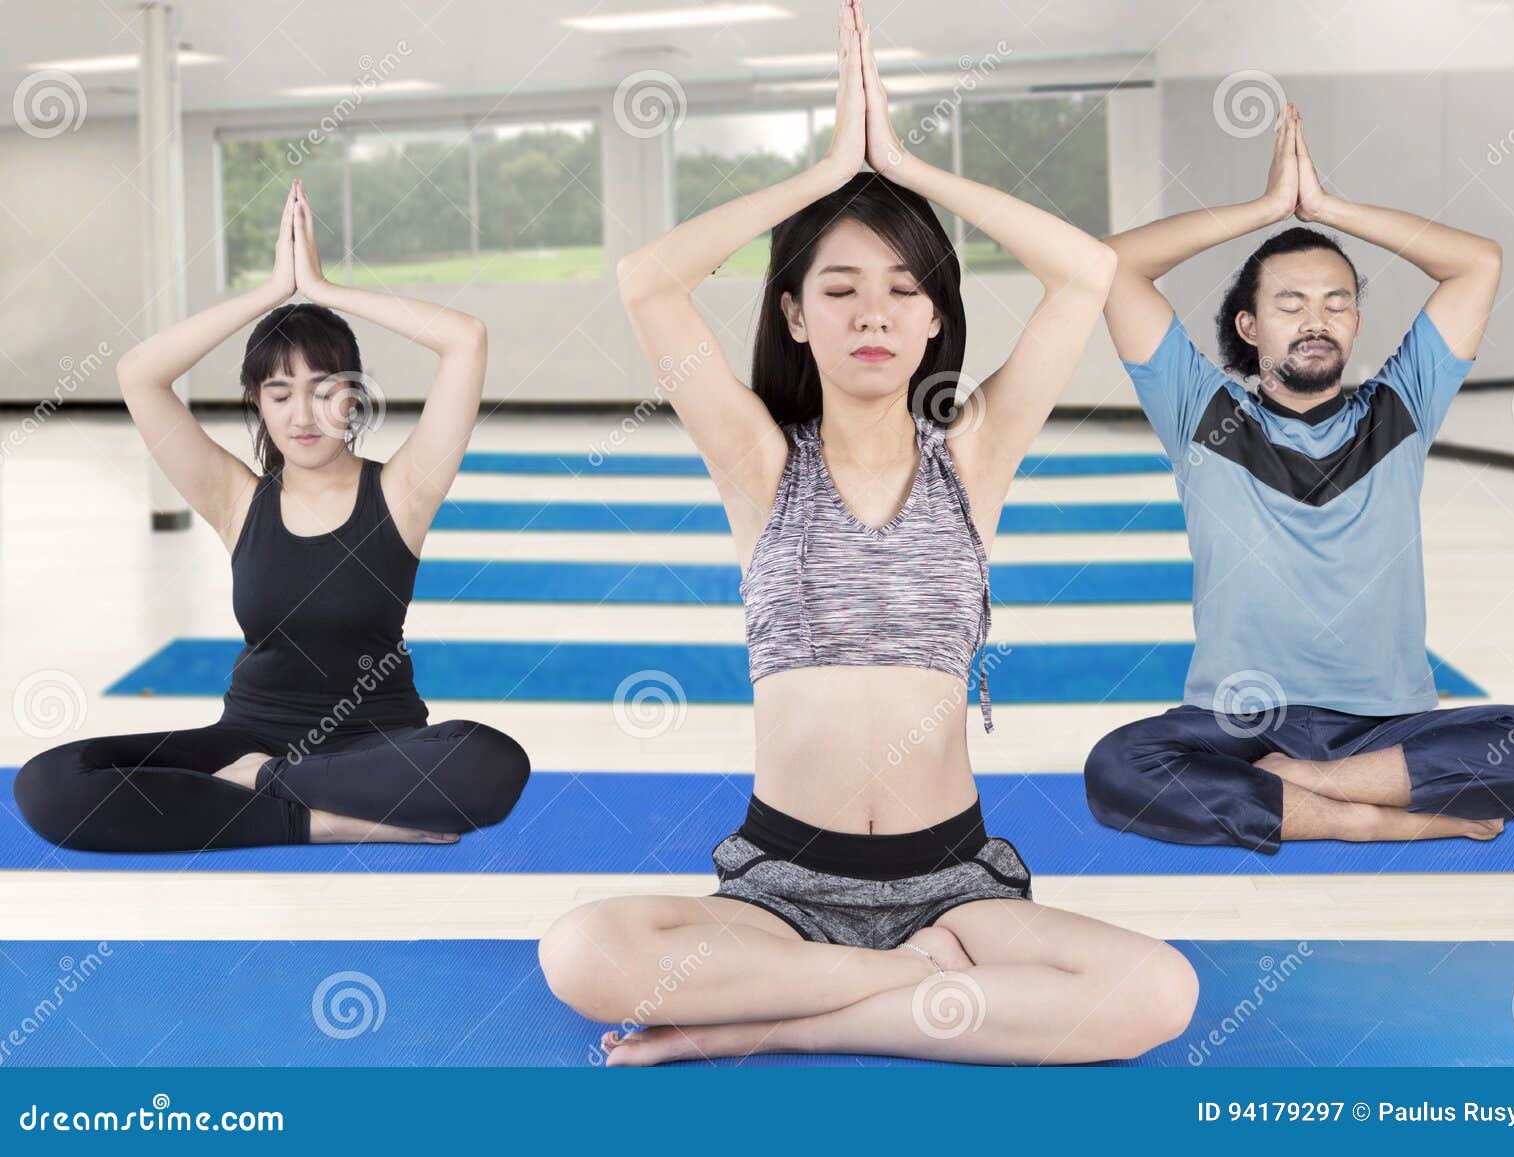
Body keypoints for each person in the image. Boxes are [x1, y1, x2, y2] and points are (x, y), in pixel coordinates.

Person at [538, 0, 1198, 1067]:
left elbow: (1083, 272)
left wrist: (904, 166)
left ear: (936, 314)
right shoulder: (762, 468)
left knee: (1159, 991)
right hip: (780, 887)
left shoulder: (970, 460)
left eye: (904, 289)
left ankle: (762, 1023)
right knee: (579, 949)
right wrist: (823, 173)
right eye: (838, 289)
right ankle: (904, 993)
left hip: (954, 889)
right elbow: (647, 281)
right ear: (794, 314)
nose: (874, 312)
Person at [1085, 103, 1514, 853]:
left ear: (1357, 321)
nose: (1315, 318)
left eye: (1337, 301)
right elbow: (1113, 264)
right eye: (1289, 303)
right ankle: (1372, 818)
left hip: (1390, 726)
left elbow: (1478, 261)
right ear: (1249, 327)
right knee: (1116, 769)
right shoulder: (1200, 411)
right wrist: (1264, 210)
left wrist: (1329, 208)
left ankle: (1309, 790)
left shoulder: (1402, 405)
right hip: (1241, 722)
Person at [14, 180, 530, 852]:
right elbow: (140, 372)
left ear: (355, 398)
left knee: (490, 762)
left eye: (326, 390)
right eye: (279, 392)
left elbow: (466, 339)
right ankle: (309, 816)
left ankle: (275, 785)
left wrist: (323, 289)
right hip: (246, 737)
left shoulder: (403, 491)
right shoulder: (236, 498)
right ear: (258, 403)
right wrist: (270, 293)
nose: (303, 414)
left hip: (376, 746)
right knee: (51, 784)